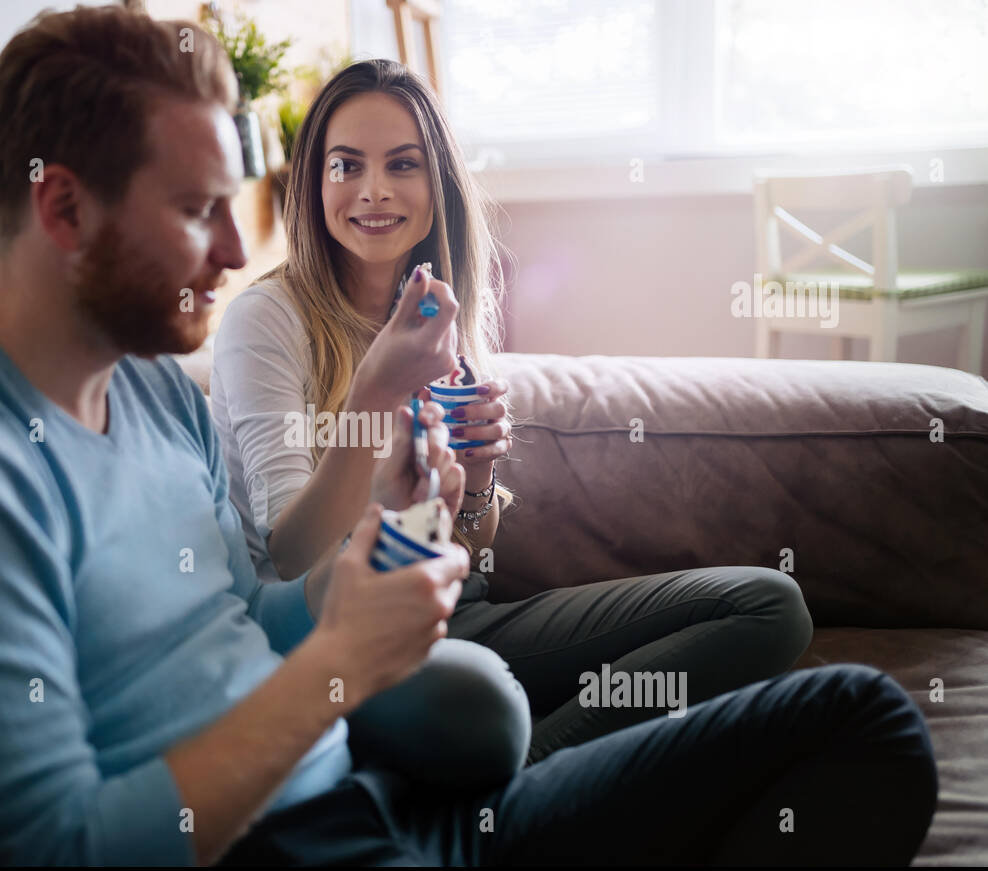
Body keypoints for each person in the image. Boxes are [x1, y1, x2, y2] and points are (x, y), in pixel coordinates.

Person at [0, 5, 937, 866]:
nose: (227, 252)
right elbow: (54, 851)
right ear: (62, 209)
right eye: (198, 209)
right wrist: (336, 670)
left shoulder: (154, 397)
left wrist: (394, 542)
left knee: (863, 720)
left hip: (403, 801)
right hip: (308, 845)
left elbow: (256, 598)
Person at [210, 59, 815, 764]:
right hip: (341, 645)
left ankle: (534, 774)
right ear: (315, 184)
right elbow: (290, 562)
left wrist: (474, 480)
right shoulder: (266, 319)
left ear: (438, 183)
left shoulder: (436, 308)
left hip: (453, 619)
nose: (372, 191)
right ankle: (534, 796)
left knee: (768, 606)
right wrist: (373, 397)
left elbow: (468, 563)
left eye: (402, 165)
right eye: (346, 166)